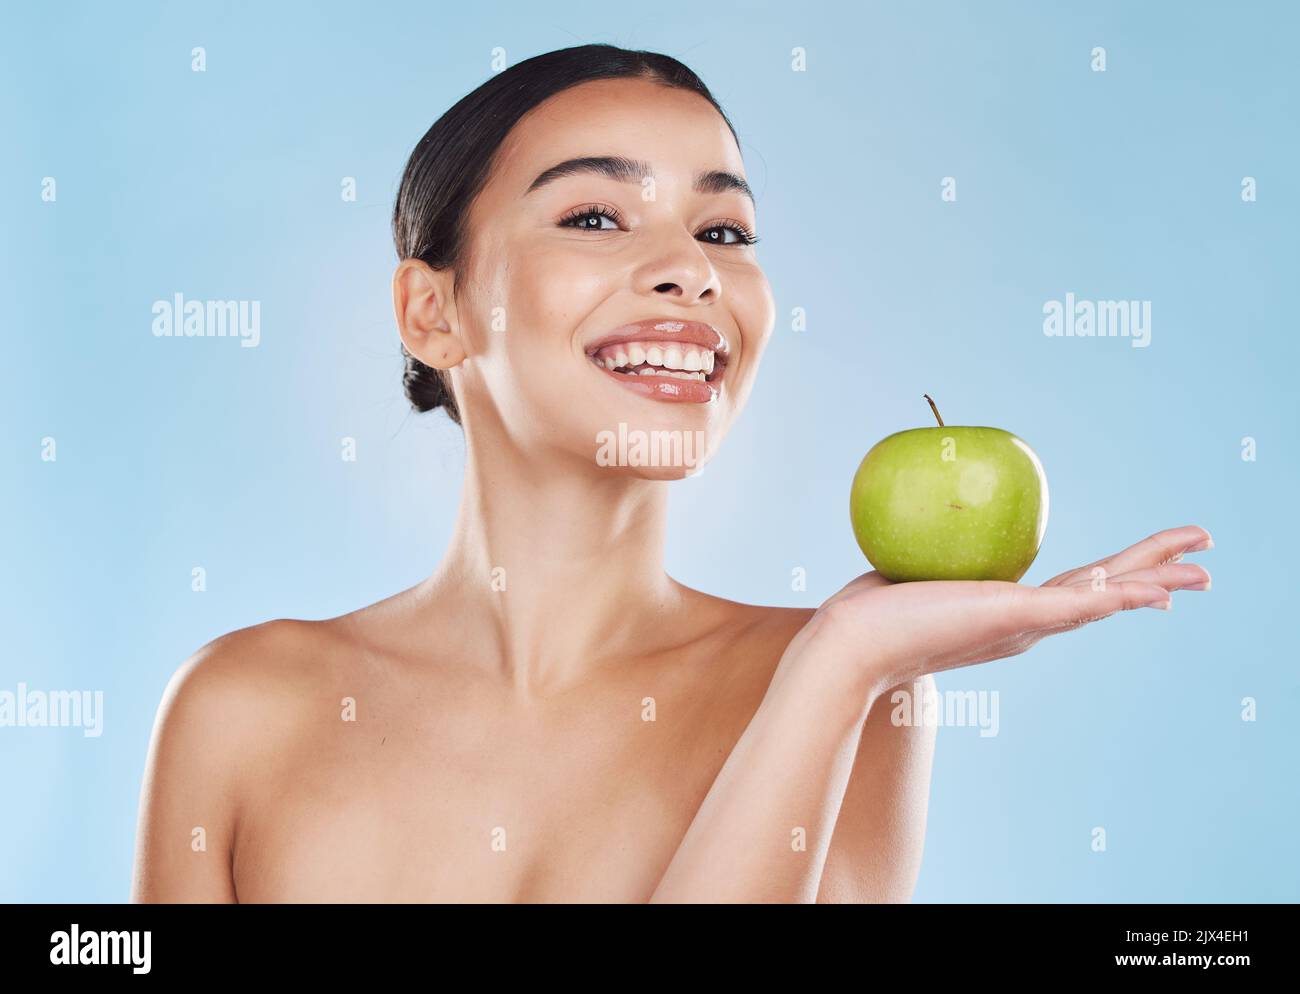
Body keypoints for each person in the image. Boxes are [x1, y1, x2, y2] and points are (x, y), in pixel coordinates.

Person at [131, 44, 1213, 903]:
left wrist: (839, 666)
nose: (692, 269)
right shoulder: (237, 709)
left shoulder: (851, 687)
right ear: (435, 311)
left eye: (724, 227)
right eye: (595, 215)